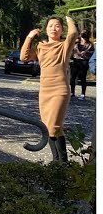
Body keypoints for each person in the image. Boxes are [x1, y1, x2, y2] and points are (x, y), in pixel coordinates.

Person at [21, 15, 79, 162]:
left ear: (61, 30)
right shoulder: (41, 46)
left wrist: (69, 19)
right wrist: (29, 36)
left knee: (54, 126)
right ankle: (56, 161)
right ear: (46, 29)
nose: (54, 28)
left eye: (57, 26)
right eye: (51, 25)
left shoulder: (64, 46)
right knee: (49, 127)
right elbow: (24, 57)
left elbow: (73, 34)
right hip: (45, 91)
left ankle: (63, 162)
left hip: (60, 90)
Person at [70, 31, 93, 100]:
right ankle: (72, 92)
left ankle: (83, 94)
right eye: (82, 36)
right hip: (76, 60)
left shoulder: (90, 44)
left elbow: (92, 53)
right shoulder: (76, 43)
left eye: (84, 37)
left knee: (83, 78)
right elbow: (71, 50)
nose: (82, 38)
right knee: (73, 77)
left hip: (84, 61)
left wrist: (85, 53)